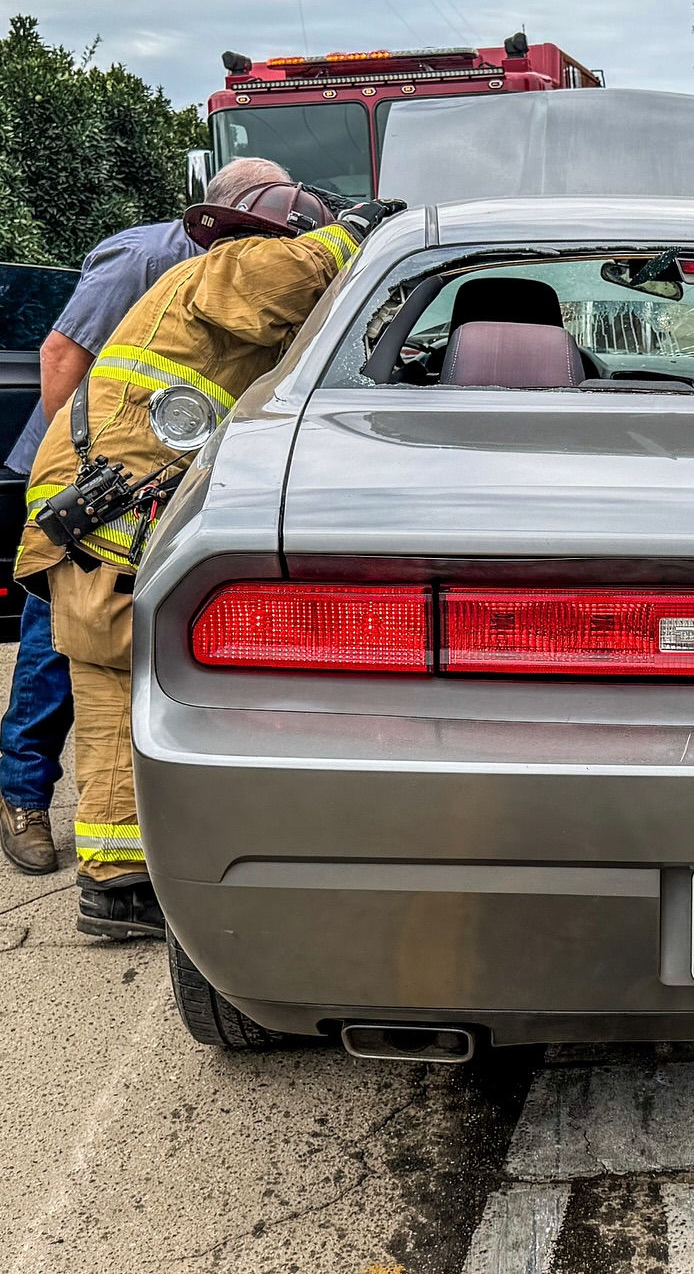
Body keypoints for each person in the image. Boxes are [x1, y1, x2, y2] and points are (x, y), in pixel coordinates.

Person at [13, 181, 405, 938]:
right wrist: (351, 233)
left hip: (88, 506)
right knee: (144, 682)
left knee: (110, 688)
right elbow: (287, 282)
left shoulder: (190, 285)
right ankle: (136, 878)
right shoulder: (233, 267)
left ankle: (116, 882)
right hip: (112, 512)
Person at [0, 158, 293, 877]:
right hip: (82, 494)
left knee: (117, 647)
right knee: (62, 644)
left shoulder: (229, 280)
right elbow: (60, 354)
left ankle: (129, 838)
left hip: (143, 490)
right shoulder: (147, 259)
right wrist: (100, 471)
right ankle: (21, 794)